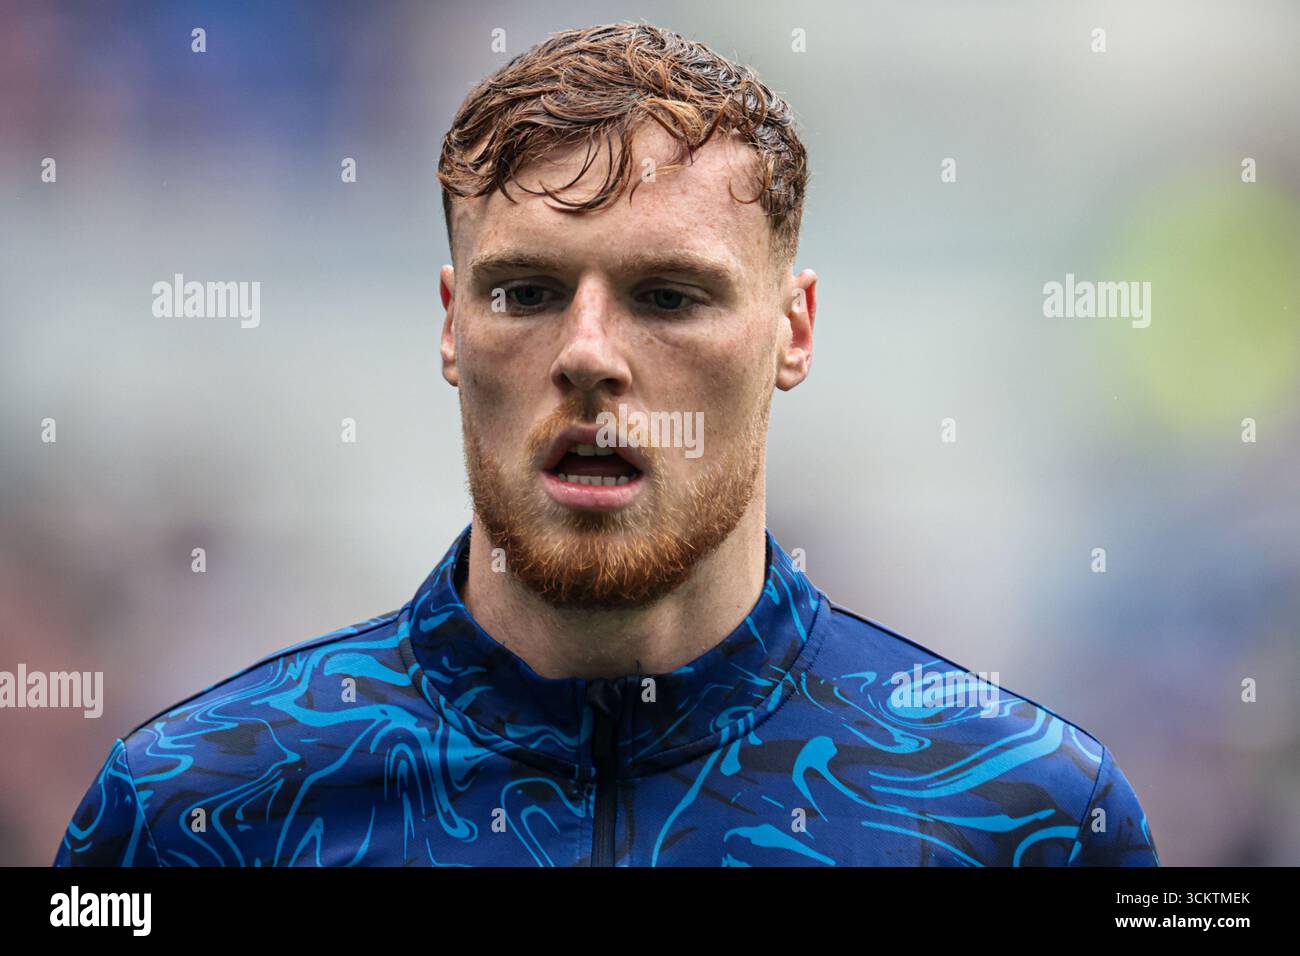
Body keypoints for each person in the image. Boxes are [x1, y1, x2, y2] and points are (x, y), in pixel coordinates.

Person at [54, 21, 1158, 867]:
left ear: (793, 328)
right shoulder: (196, 809)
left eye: (668, 294)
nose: (588, 354)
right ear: (451, 324)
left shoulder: (1026, 810)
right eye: (525, 290)